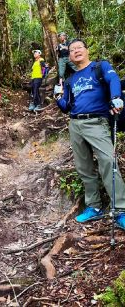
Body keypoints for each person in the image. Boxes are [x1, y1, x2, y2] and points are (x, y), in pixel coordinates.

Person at [54, 38, 125, 228]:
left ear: (86, 50)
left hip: (97, 122)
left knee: (108, 163)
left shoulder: (100, 67)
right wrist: (57, 97)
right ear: (69, 55)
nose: (76, 51)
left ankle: (120, 209)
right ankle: (93, 207)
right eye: (72, 50)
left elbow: (113, 80)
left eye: (79, 48)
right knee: (84, 167)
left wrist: (116, 97)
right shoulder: (70, 80)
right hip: (75, 124)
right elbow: (66, 107)